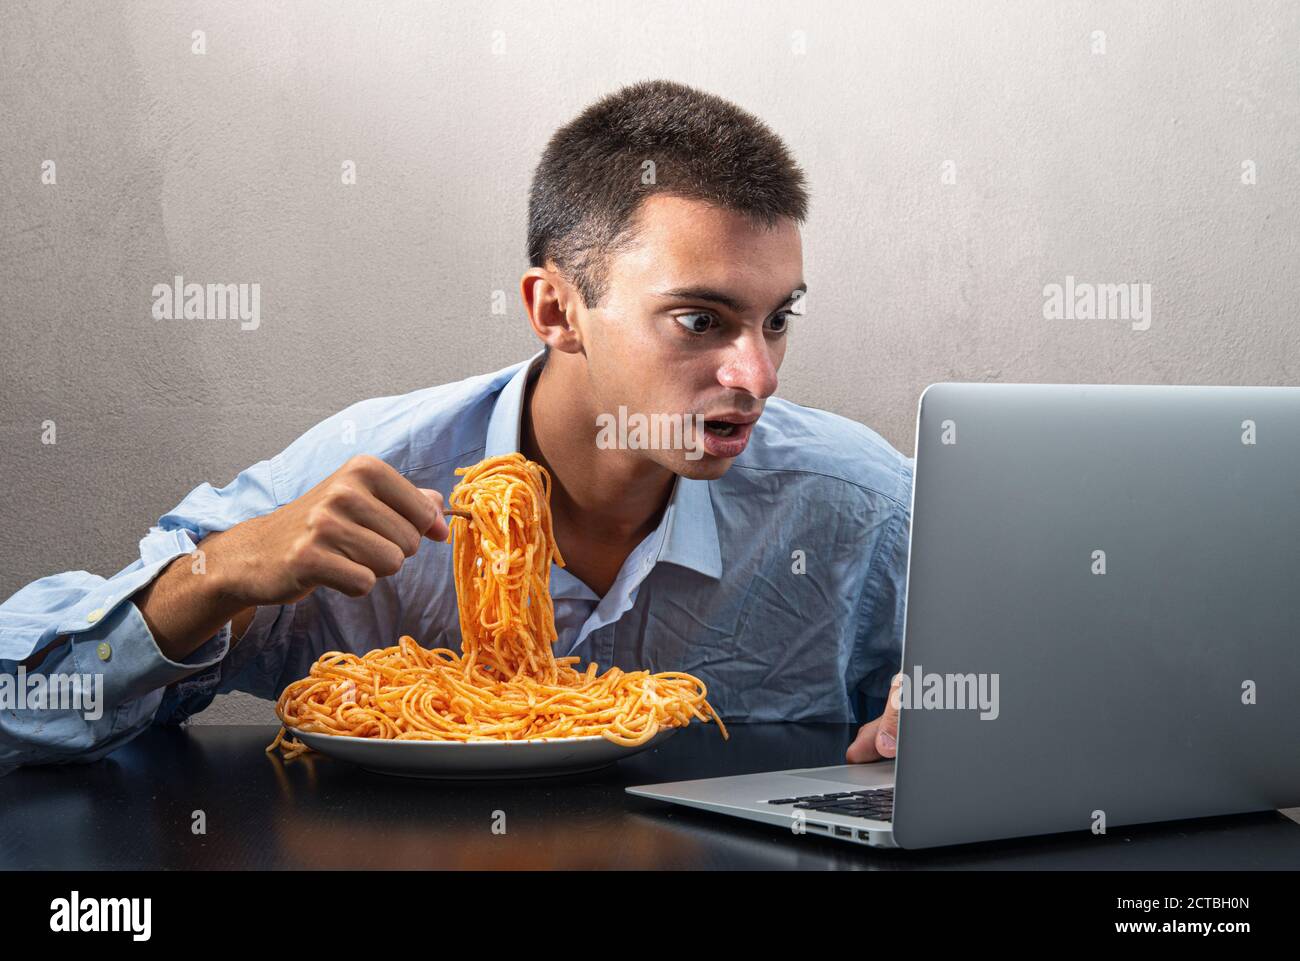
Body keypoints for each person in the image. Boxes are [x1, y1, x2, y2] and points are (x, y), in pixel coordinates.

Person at [0, 79, 909, 776]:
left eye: (777, 318)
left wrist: (974, 711)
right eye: (700, 321)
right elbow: (17, 702)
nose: (756, 374)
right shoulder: (368, 470)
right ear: (556, 310)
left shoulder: (859, 505)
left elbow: (1018, 693)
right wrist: (222, 570)